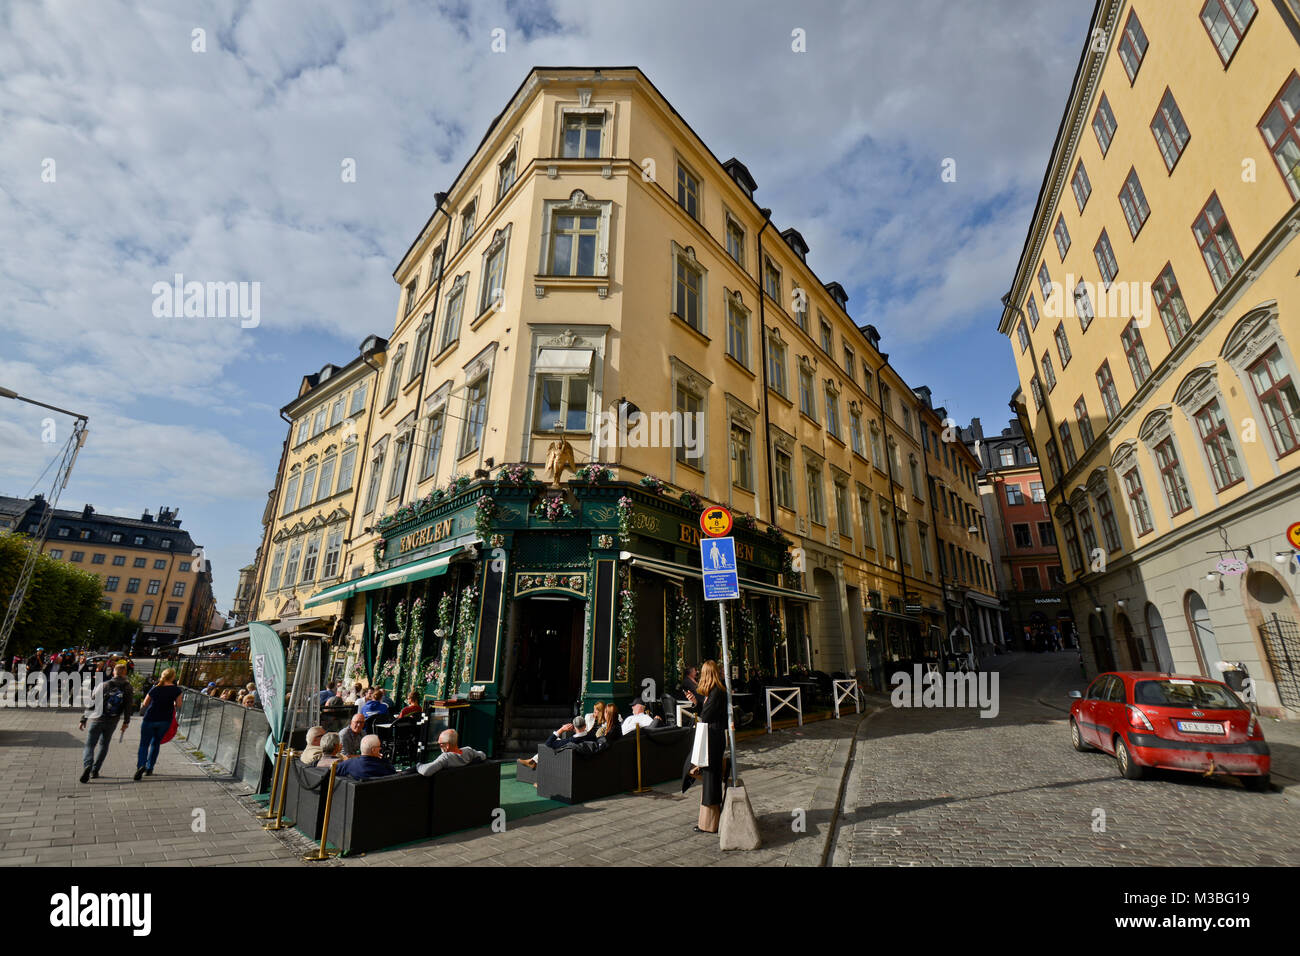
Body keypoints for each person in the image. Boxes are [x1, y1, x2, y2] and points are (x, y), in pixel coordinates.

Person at [689, 660, 729, 834]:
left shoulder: (716, 692)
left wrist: (700, 702)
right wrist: (697, 702)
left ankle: (710, 823)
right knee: (709, 776)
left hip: (713, 736)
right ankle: (709, 820)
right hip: (714, 735)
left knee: (711, 776)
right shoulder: (714, 692)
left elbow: (706, 715)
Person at [78, 661, 135, 782]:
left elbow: (92, 703)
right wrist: (126, 722)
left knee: (89, 745)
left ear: (114, 672)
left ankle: (87, 764)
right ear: (125, 673)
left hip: (97, 719)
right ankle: (95, 770)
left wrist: (84, 719)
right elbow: (128, 706)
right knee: (104, 745)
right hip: (112, 721)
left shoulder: (104, 685)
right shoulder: (128, 687)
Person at [134, 668, 184, 781]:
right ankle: (150, 767)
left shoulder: (155, 688)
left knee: (144, 744)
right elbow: (179, 705)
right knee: (156, 743)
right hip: (165, 720)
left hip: (150, 718)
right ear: (173, 677)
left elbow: (145, 703)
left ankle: (141, 765)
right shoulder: (177, 690)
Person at [417, 729, 485, 776]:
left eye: (440, 744)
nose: (439, 746)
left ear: (447, 745)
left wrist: (418, 766)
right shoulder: (468, 751)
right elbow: (483, 755)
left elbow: (426, 771)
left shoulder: (446, 758)